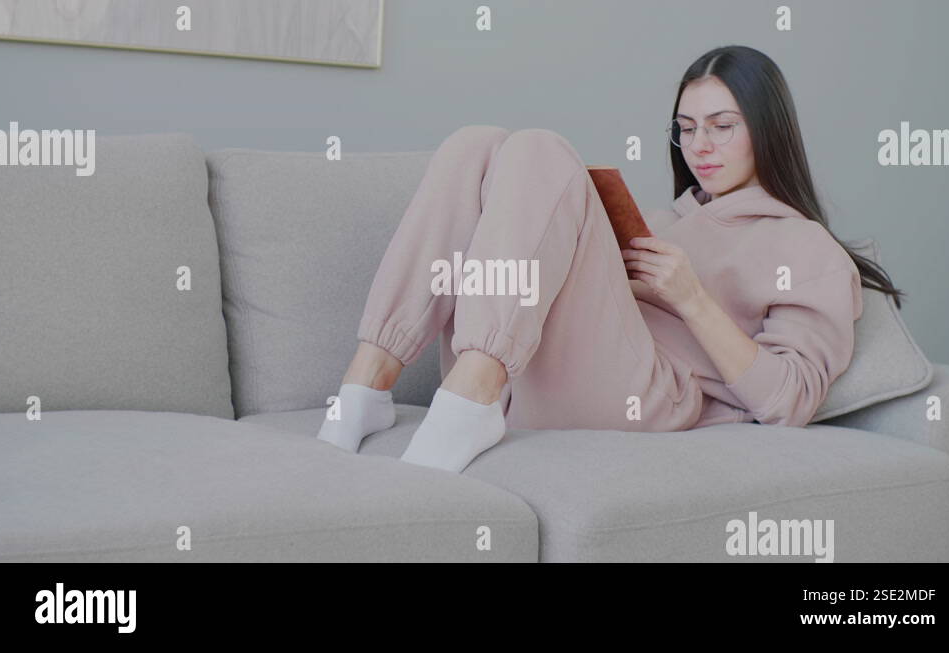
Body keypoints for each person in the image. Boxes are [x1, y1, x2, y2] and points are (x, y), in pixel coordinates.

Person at [318, 45, 904, 474]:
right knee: (476, 143)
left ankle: (471, 396)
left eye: (723, 127)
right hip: (541, 373)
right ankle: (367, 383)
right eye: (687, 129)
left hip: (652, 398)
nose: (701, 146)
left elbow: (790, 401)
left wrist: (691, 299)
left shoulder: (807, 248)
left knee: (540, 149)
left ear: (767, 131)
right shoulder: (673, 221)